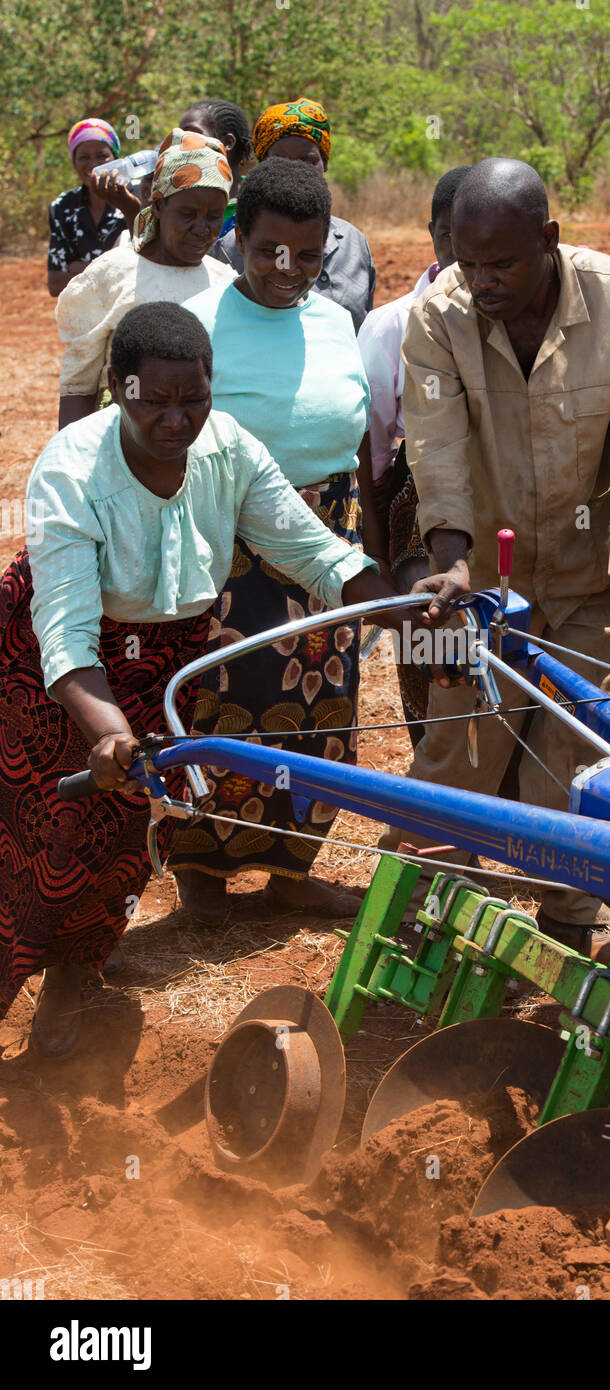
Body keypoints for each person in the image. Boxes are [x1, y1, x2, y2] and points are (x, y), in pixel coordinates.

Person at [0, 301, 400, 1058]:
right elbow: (66, 632)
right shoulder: (71, 466)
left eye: (194, 400)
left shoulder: (230, 449)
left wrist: (407, 612)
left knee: (120, 833)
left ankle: (70, 976)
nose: (176, 420)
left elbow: (314, 553)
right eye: (155, 402)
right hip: (55, 675)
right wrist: (110, 732)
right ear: (120, 389)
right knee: (34, 832)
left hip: (160, 663)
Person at [379, 157, 610, 951]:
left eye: (501, 262)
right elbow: (434, 451)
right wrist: (452, 562)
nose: (482, 281)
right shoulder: (438, 315)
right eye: (468, 263)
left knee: (571, 763)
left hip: (587, 585)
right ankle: (412, 925)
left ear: (548, 238)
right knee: (460, 750)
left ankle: (563, 932)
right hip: (485, 590)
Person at [166, 159, 374, 925]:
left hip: (325, 540)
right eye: (268, 251)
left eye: (309, 254)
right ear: (237, 242)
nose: (288, 269)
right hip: (226, 542)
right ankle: (202, 874)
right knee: (223, 702)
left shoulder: (333, 321)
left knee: (325, 710)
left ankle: (291, 872)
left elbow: (359, 447)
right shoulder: (204, 323)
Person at [356, 165, 471, 742]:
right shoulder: (388, 325)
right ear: (433, 233)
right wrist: (375, 547)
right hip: (416, 502)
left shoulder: (514, 318)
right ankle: (435, 767)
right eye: (450, 234)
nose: (462, 251)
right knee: (432, 637)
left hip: (503, 499)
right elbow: (372, 451)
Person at [55, 129, 235, 429]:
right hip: (118, 437)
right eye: (188, 213)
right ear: (160, 206)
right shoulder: (112, 274)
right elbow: (78, 384)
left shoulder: (225, 282)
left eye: (213, 215)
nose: (202, 228)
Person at [213, 98, 375, 331]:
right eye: (280, 160)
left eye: (308, 161)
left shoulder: (354, 243)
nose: (295, 171)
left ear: (325, 164)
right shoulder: (231, 249)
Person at [47, 119, 127, 297]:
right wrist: (111, 271)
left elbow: (136, 275)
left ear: (115, 159)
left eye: (102, 155)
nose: (93, 164)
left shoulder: (134, 199)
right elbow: (55, 283)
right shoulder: (62, 207)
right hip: (83, 316)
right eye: (84, 157)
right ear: (74, 161)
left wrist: (78, 268)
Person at [177, 99, 254, 234]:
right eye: (180, 137)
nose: (183, 143)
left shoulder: (256, 203)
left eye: (193, 134)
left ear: (227, 143)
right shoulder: (178, 197)